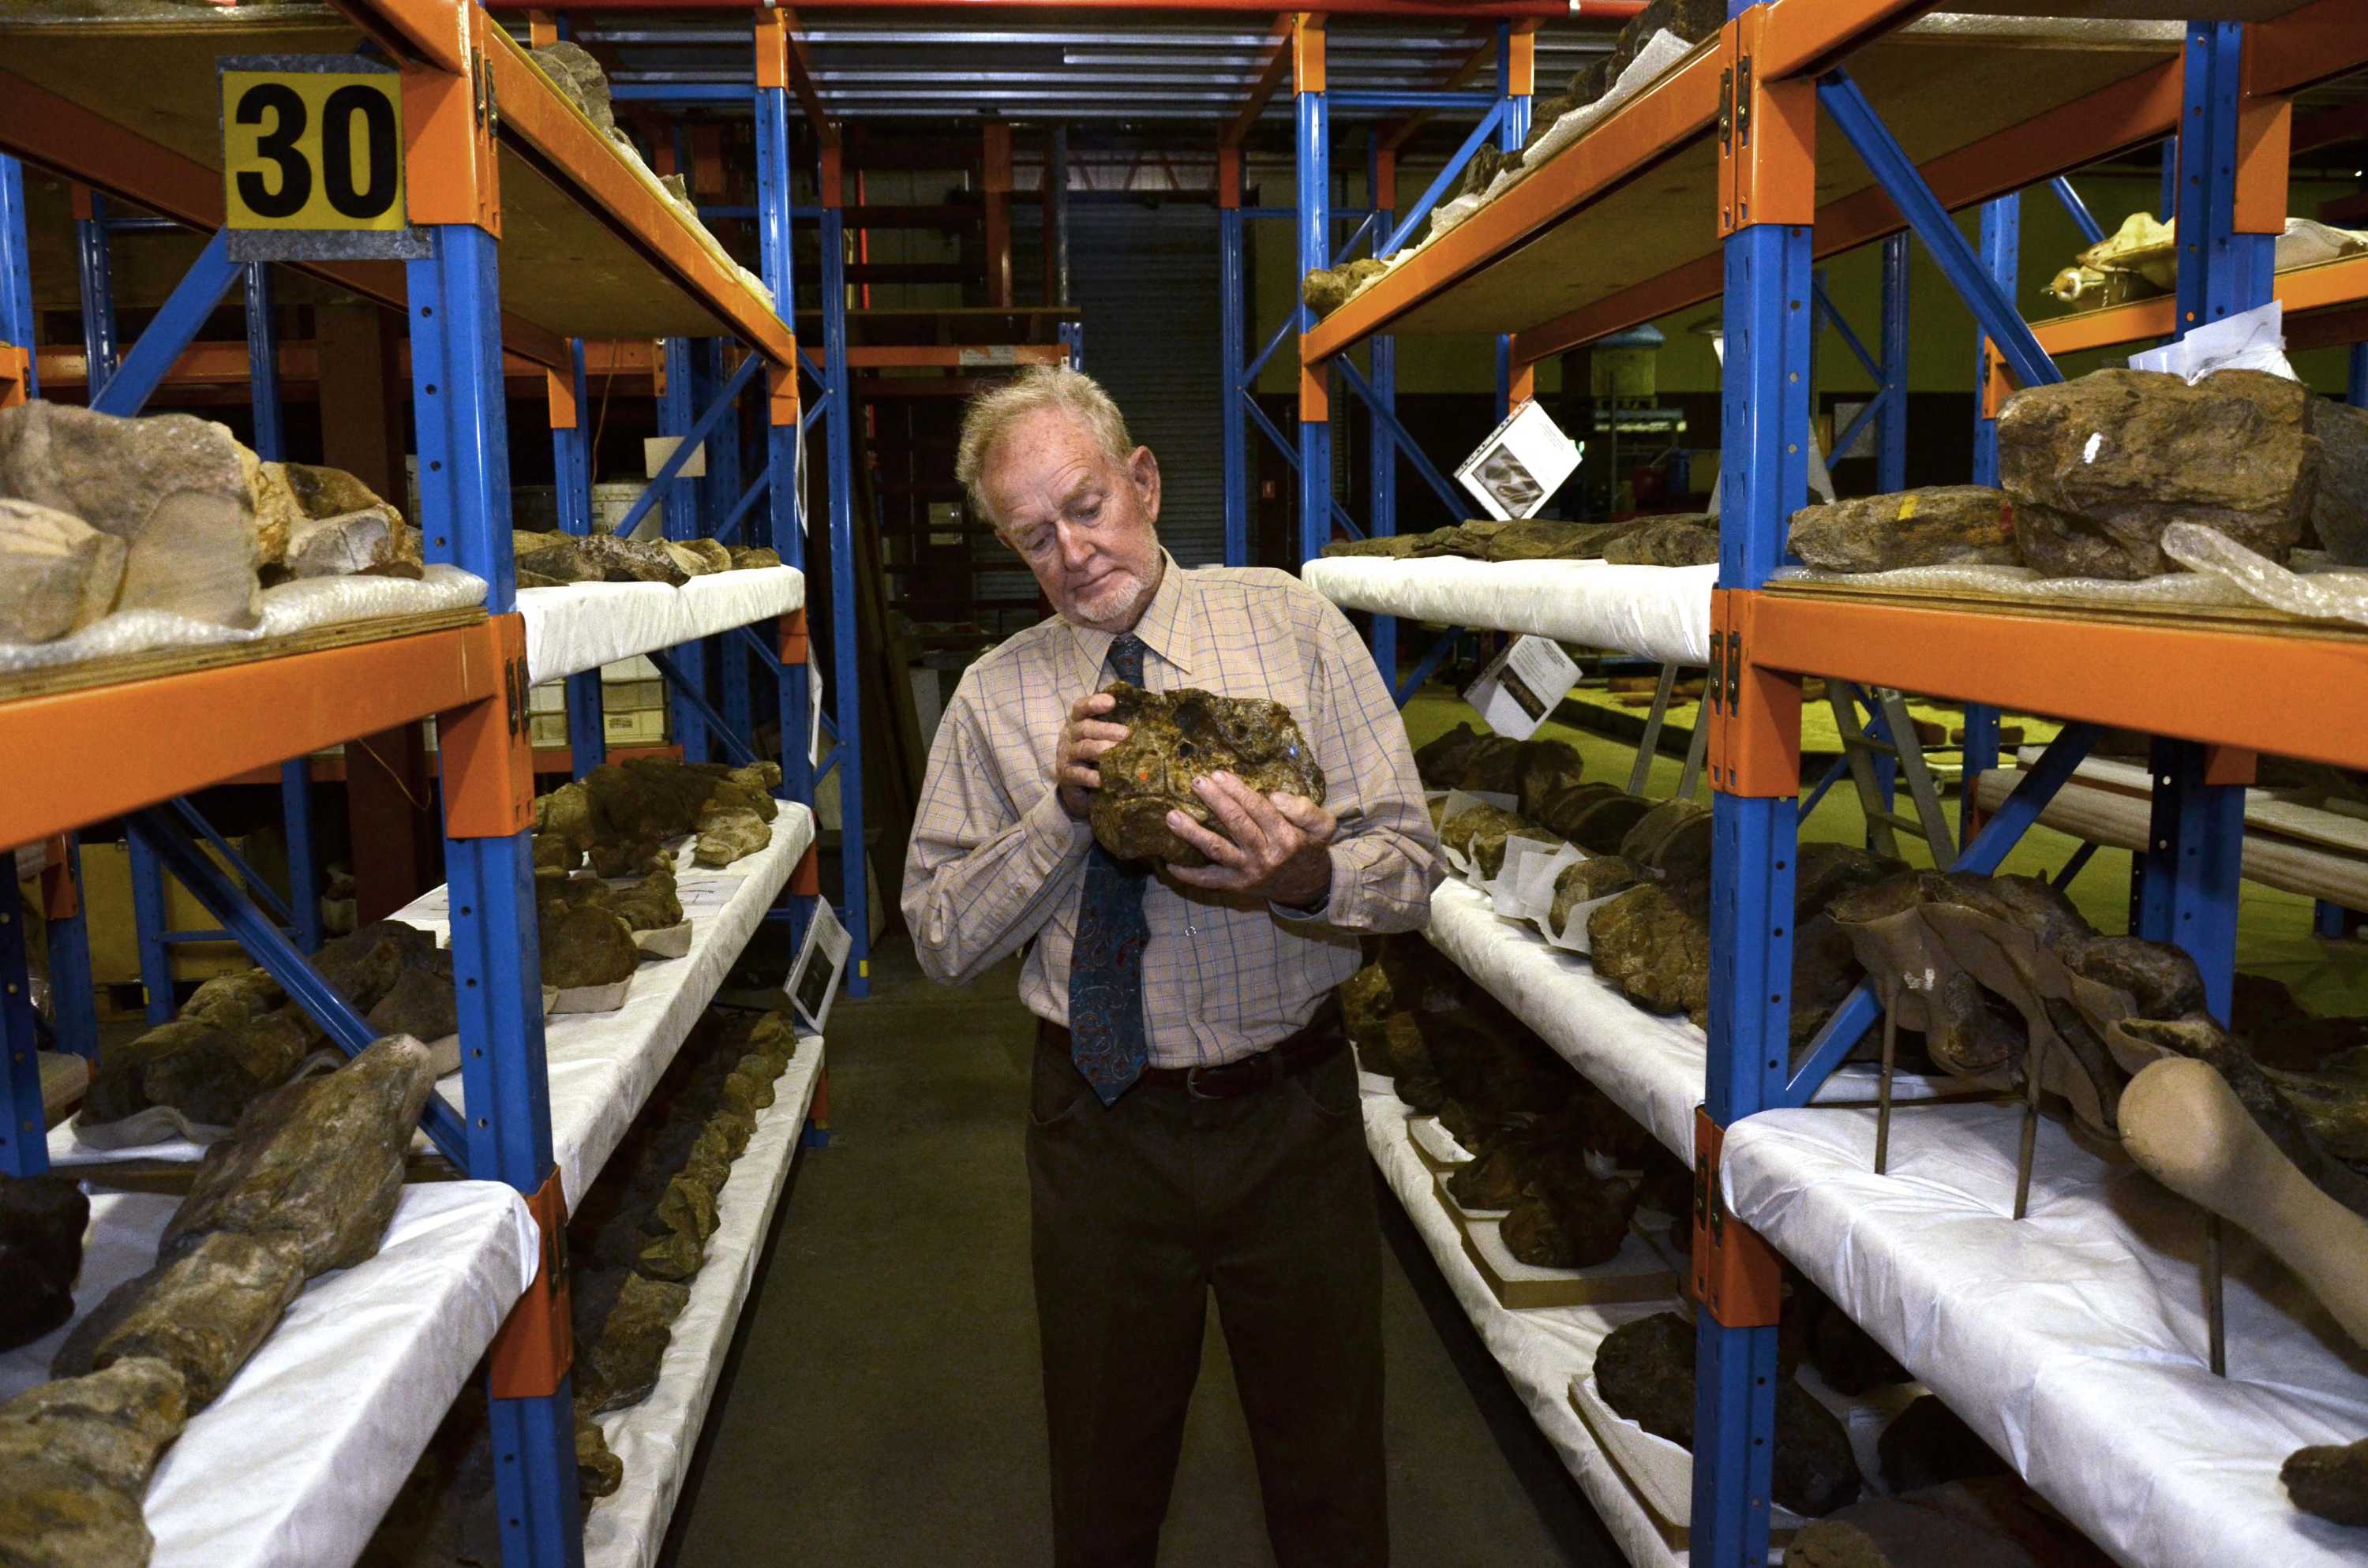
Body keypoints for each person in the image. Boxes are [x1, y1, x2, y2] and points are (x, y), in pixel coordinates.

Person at [901, 365, 1441, 1568]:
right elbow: (937, 938)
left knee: (1329, 1464)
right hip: (1100, 1129)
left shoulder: (1292, 624)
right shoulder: (994, 700)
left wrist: (1304, 882)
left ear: (1142, 481)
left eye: (1087, 506)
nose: (1074, 552)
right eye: (1033, 536)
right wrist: (1060, 816)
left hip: (1289, 1116)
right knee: (1103, 1474)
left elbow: (1412, 864)